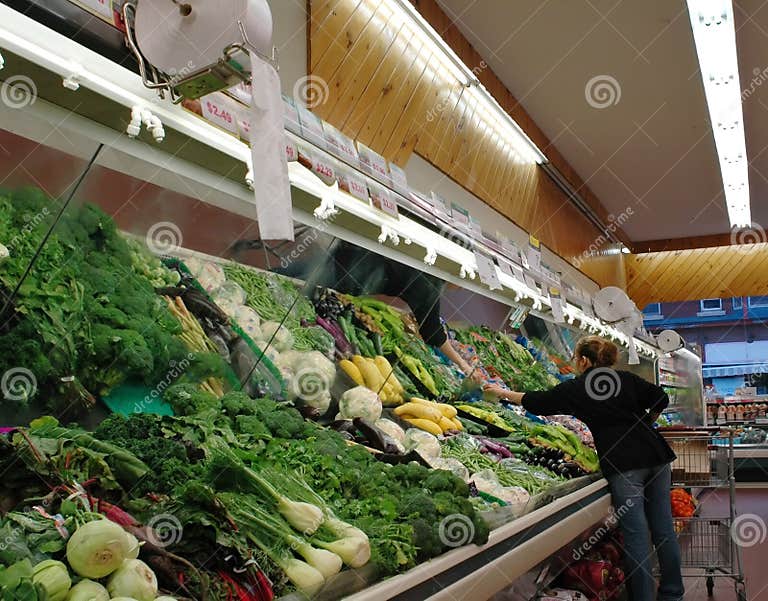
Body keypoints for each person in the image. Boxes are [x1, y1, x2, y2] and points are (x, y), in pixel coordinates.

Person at [484, 336, 684, 601]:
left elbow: (538, 401)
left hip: (624, 463)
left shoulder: (579, 387)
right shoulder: (626, 378)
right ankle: (673, 593)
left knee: (635, 535)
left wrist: (499, 392)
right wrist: (646, 420)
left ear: (585, 361)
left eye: (576, 359)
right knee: (662, 528)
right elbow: (660, 397)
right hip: (656, 454)